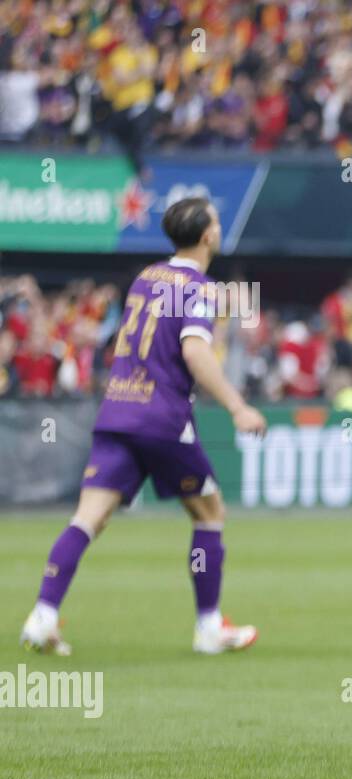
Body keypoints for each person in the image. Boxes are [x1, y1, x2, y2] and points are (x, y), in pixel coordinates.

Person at [18, 198, 267, 656]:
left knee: (88, 517)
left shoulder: (146, 277)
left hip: (117, 409)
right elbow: (195, 354)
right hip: (162, 417)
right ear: (209, 235)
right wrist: (238, 406)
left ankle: (43, 616)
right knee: (209, 514)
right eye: (216, 218)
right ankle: (209, 628)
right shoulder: (200, 288)